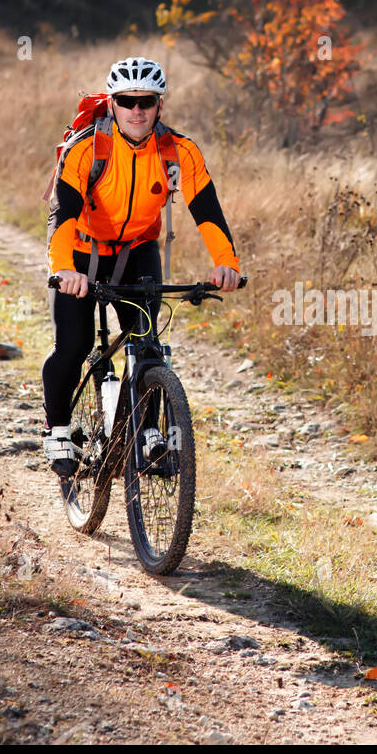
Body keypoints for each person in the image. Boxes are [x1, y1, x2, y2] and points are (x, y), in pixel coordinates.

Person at [42, 56, 242, 476]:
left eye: (146, 101)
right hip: (80, 252)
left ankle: (150, 434)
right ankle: (59, 430)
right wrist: (64, 270)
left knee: (147, 344)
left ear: (159, 106)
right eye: (127, 100)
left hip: (136, 250)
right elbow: (61, 216)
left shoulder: (179, 152)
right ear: (112, 103)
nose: (137, 110)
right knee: (73, 346)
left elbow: (207, 211)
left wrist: (226, 264)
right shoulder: (87, 149)